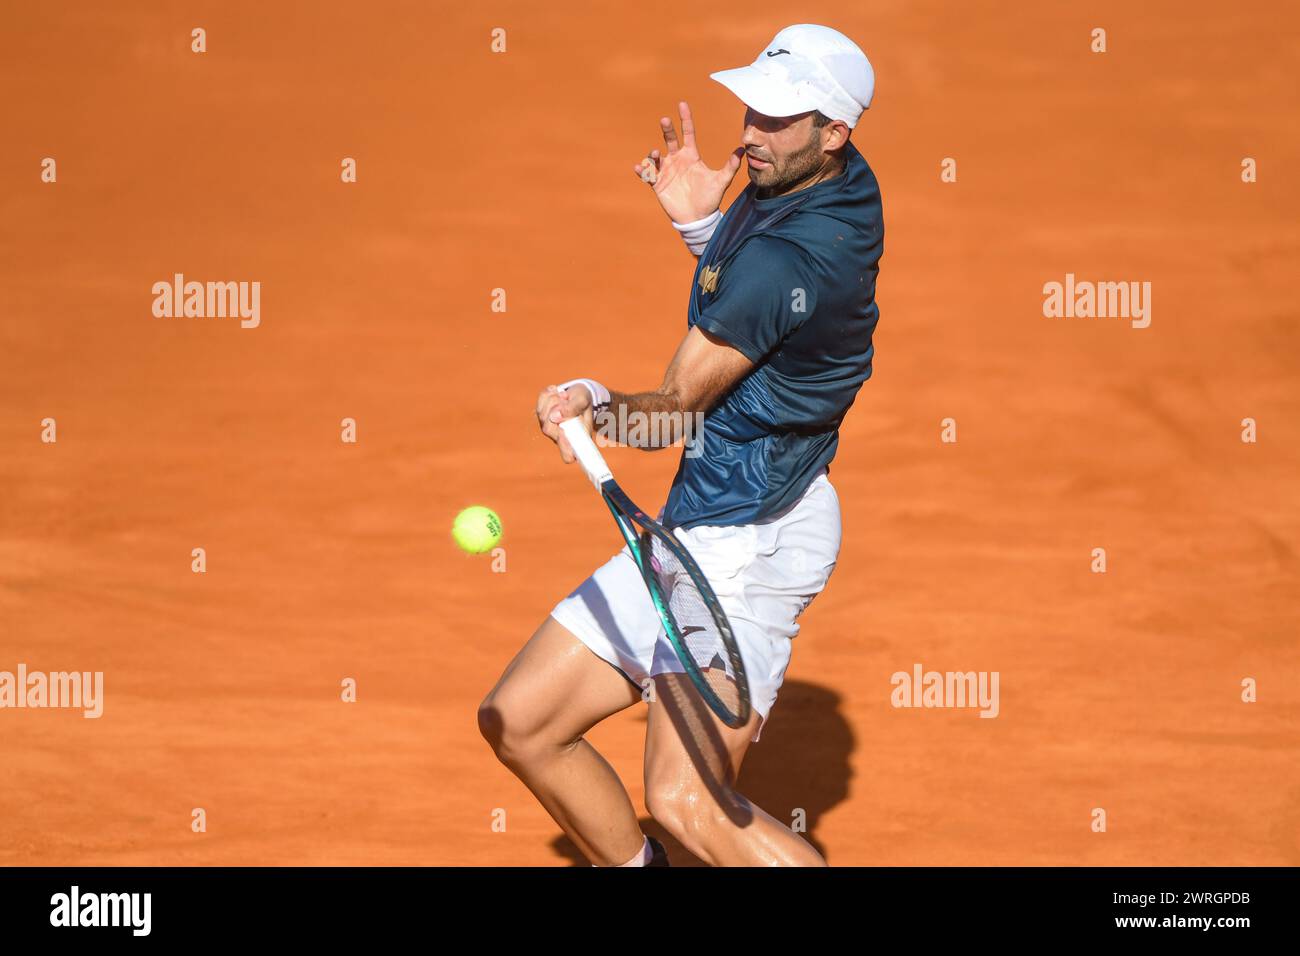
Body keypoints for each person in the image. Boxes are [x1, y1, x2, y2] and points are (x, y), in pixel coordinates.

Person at [479, 23, 884, 867]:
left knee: (685, 799)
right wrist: (707, 229)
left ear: (834, 130)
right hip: (712, 514)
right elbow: (771, 317)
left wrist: (591, 403)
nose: (749, 134)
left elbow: (669, 414)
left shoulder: (787, 260)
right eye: (753, 109)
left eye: (778, 120)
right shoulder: (832, 185)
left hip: (752, 539)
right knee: (521, 721)